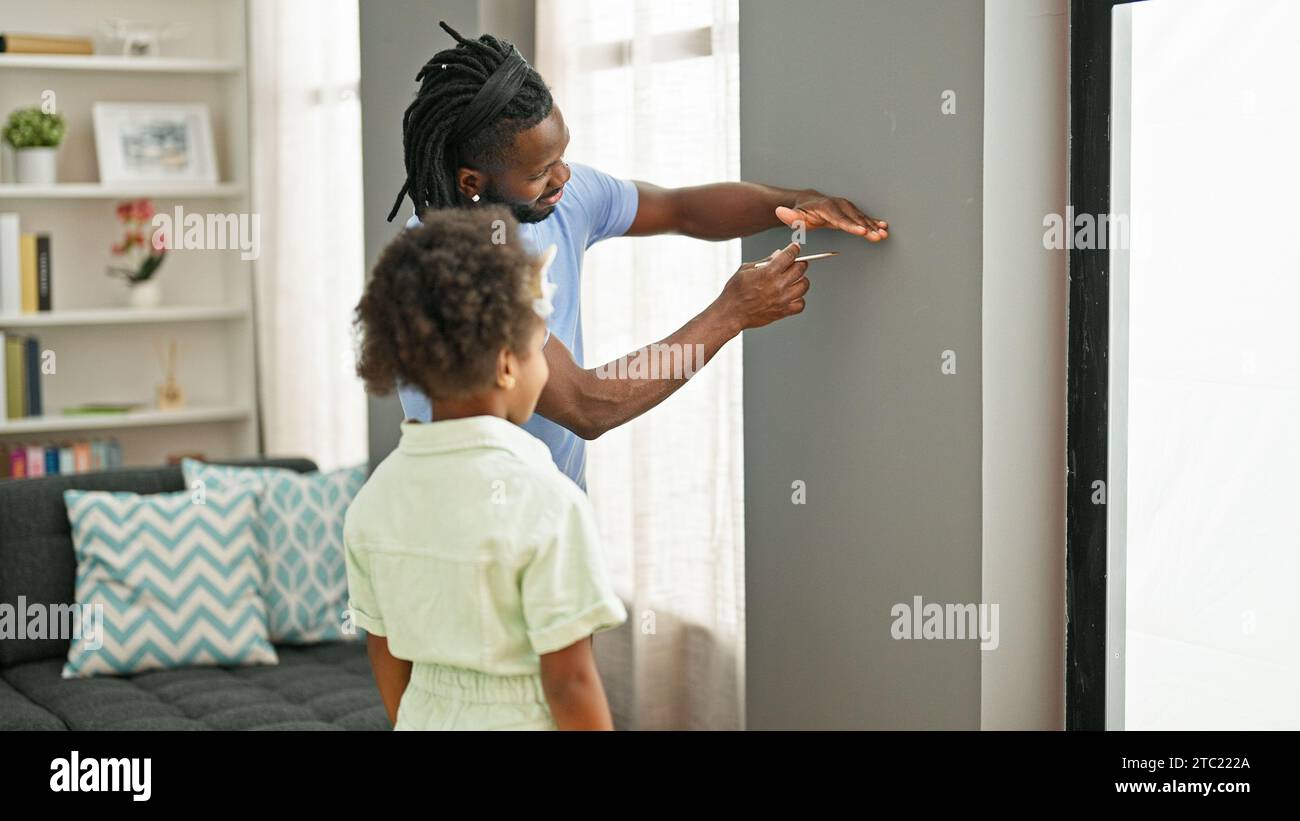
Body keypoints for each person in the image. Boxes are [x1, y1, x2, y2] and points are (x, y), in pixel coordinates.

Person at [389, 21, 890, 491]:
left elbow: (682, 209)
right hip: (461, 539)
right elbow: (587, 407)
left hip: (545, 523)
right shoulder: (454, 271)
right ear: (472, 182)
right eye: (542, 171)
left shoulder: (559, 195)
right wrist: (730, 313)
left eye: (561, 156)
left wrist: (794, 200)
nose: (563, 177)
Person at [345, 206, 627, 730]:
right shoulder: (547, 502)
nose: (544, 366)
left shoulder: (374, 500)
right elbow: (570, 684)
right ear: (505, 363)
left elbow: (385, 653)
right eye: (539, 347)